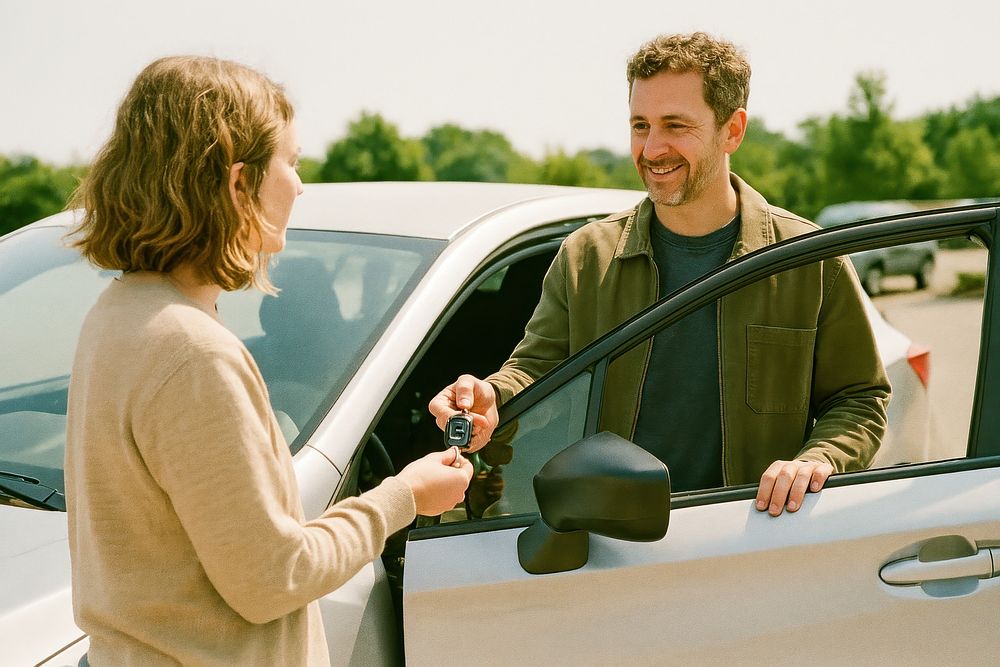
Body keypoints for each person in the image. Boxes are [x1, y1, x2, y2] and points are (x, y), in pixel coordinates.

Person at [65, 56, 472, 665]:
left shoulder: (119, 314)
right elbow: (272, 578)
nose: (300, 184)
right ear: (237, 184)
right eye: (291, 161)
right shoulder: (193, 352)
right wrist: (405, 495)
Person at [429, 32, 889, 518]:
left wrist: (817, 460)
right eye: (640, 125)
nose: (652, 149)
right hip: (609, 541)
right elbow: (538, 370)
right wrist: (490, 394)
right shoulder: (586, 257)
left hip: (752, 539)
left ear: (732, 130)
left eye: (675, 125)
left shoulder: (809, 260)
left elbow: (860, 398)